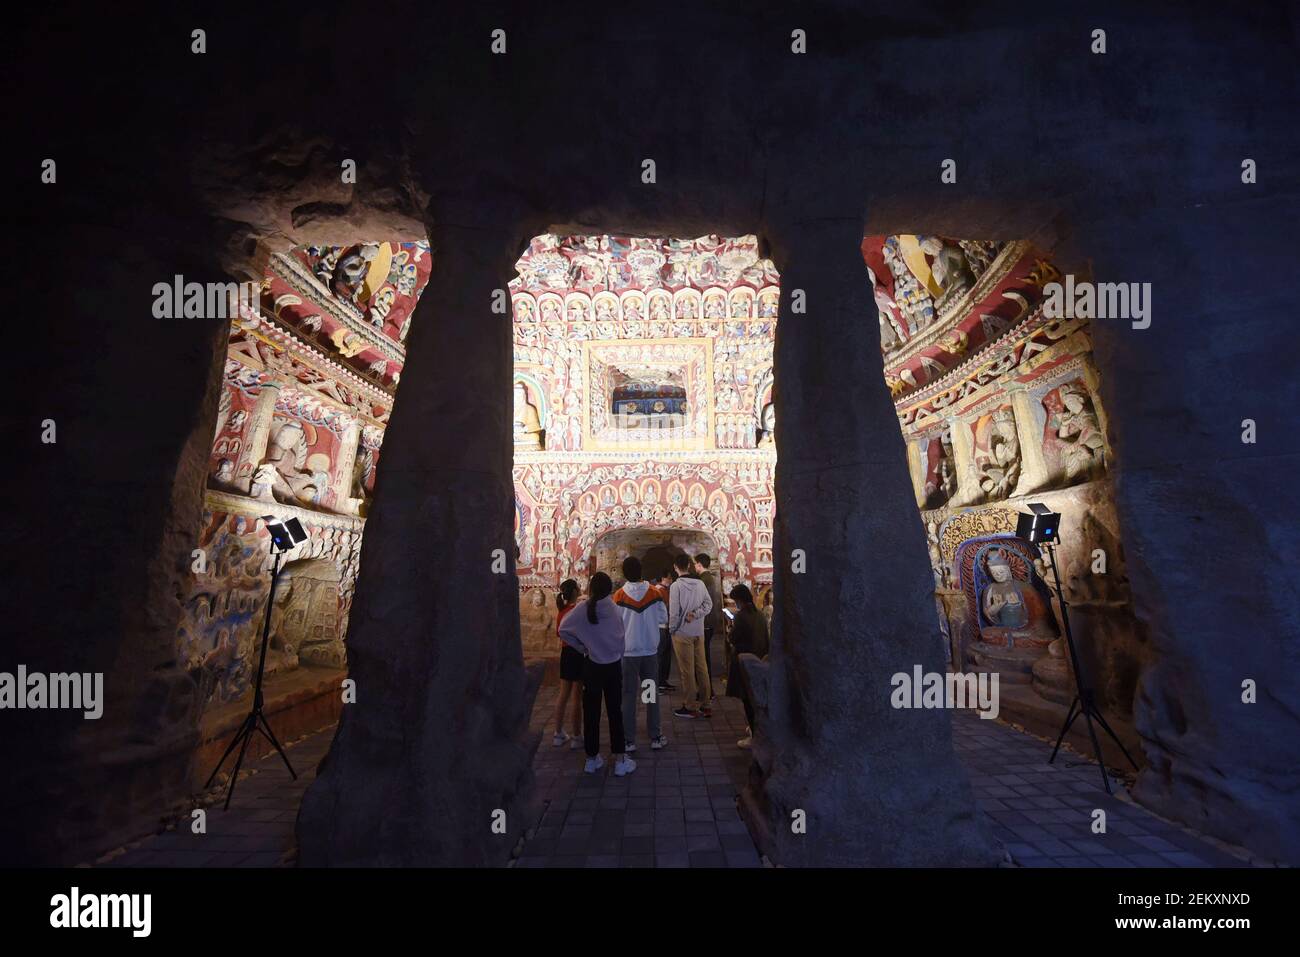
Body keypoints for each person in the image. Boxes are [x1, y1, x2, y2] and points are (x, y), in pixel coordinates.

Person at [559, 572, 636, 776]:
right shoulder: (613, 607)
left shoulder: (582, 608)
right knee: (614, 712)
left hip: (592, 665)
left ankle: (591, 759)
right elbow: (621, 638)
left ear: (591, 588)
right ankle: (620, 759)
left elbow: (563, 628)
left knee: (591, 713)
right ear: (609, 589)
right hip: (612, 666)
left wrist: (583, 646)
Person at [613, 556, 669, 753]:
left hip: (628, 654)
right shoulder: (654, 593)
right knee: (650, 694)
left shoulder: (619, 596)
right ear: (641, 571)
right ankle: (654, 736)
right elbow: (663, 618)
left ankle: (629, 740)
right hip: (649, 652)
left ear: (624, 573)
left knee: (628, 696)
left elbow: (615, 625)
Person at [668, 554, 713, 719]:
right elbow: (708, 604)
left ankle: (690, 706)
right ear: (689, 565)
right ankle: (706, 704)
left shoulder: (676, 586)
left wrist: (672, 629)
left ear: (675, 567)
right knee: (702, 668)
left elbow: (673, 612)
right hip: (698, 631)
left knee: (687, 671)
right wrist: (696, 614)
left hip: (682, 633)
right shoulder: (700, 584)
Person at [725, 584, 769, 749]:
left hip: (745, 660)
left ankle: (755, 735)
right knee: (755, 698)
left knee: (748, 699)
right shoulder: (759, 614)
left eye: (735, 601)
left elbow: (734, 638)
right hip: (759, 658)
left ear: (739, 600)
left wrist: (730, 631)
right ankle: (755, 728)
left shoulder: (741, 616)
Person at [552, 579, 583, 749]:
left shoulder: (561, 611)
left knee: (563, 694)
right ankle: (577, 736)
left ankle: (558, 733)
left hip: (566, 653)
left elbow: (559, 633)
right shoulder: (576, 611)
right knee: (577, 697)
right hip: (577, 653)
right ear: (575, 592)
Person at [694, 553, 723, 693]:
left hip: (705, 622)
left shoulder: (703, 580)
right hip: (710, 620)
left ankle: (706, 690)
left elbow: (700, 602)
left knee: (702, 658)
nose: (694, 566)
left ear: (699, 564)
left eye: (695, 564)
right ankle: (706, 689)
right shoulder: (708, 578)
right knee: (703, 656)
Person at [655, 571, 677, 693]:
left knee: (666, 655)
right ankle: (659, 682)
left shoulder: (663, 590)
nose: (671, 580)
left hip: (666, 626)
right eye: (669, 578)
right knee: (661, 655)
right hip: (661, 627)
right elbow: (666, 607)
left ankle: (663, 681)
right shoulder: (659, 590)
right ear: (663, 578)